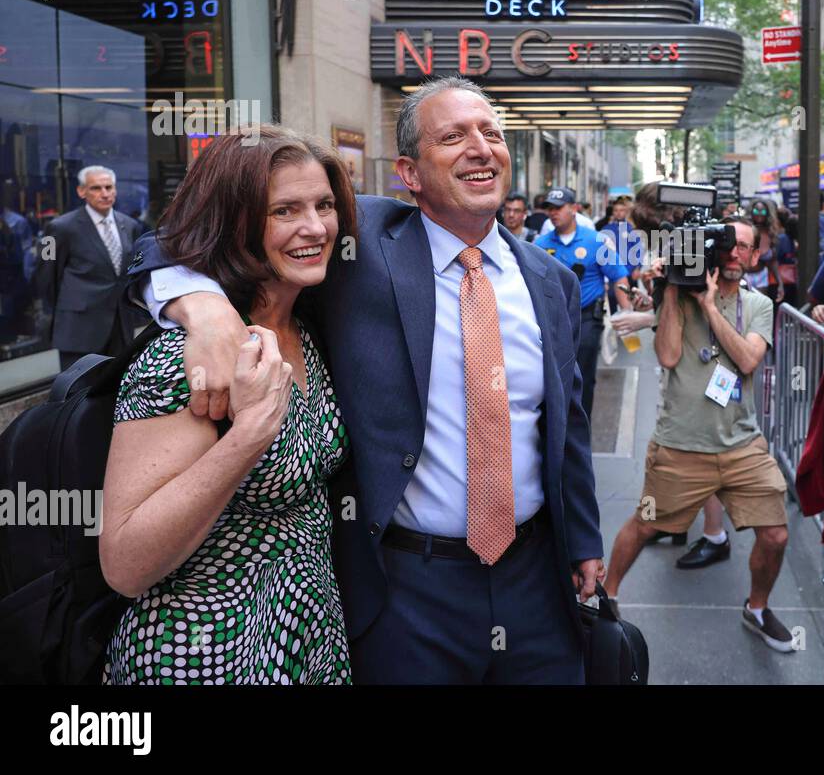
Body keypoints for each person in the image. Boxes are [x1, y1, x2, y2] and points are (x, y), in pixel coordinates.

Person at [133, 78, 604, 684]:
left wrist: (585, 537)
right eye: (454, 136)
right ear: (408, 171)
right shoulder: (355, 245)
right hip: (407, 587)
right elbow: (166, 246)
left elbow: (567, 424)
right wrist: (201, 306)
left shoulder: (550, 279)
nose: (481, 147)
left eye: (492, 133)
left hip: (536, 579)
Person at [100, 127, 357, 684]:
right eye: (284, 211)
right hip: (203, 652)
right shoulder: (191, 359)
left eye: (325, 205)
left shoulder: (307, 324)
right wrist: (247, 439)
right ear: (233, 221)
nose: (315, 227)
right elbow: (124, 563)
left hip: (303, 639)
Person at [602, 216, 796, 651]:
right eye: (727, 243)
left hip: (742, 445)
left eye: (745, 246)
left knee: (777, 534)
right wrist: (671, 285)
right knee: (645, 524)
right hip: (680, 445)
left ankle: (758, 608)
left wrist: (709, 306)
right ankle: (605, 596)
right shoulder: (677, 297)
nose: (734, 253)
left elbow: (748, 360)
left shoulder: (759, 304)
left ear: (756, 256)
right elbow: (669, 355)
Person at [33, 166, 148, 370]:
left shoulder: (129, 225)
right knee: (78, 392)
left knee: (115, 390)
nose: (104, 193)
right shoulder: (58, 228)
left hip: (120, 326)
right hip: (79, 329)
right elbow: (45, 276)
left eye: (108, 187)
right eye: (96, 188)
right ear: (81, 192)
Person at [535, 186, 632, 422]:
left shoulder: (596, 241)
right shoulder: (540, 244)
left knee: (583, 375)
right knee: (554, 375)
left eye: (559, 208)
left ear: (574, 209)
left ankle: (581, 425)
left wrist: (628, 315)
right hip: (553, 322)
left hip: (587, 319)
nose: (553, 213)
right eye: (550, 208)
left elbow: (619, 275)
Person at [745, 198, 785, 303]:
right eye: (756, 211)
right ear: (751, 212)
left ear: (767, 213)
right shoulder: (745, 230)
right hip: (743, 275)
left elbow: (773, 262)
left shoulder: (771, 233)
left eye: (762, 211)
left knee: (758, 308)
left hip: (761, 276)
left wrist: (780, 283)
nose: (759, 214)